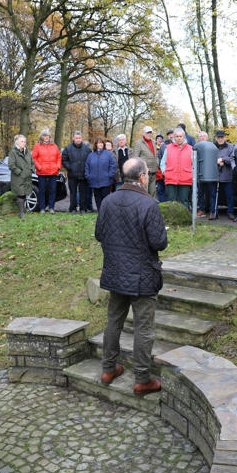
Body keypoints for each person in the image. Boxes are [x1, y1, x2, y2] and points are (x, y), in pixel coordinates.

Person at [95, 158, 168, 396]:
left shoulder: (108, 201)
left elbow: (99, 234)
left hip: (116, 273)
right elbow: (160, 242)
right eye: (147, 173)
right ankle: (142, 379)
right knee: (144, 328)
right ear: (142, 177)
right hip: (142, 276)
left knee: (114, 321)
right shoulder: (149, 204)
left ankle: (108, 369)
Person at [159, 128, 193, 207]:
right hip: (171, 179)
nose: (179, 138)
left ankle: (185, 219)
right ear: (174, 137)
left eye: (180, 136)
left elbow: (194, 165)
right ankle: (171, 219)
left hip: (186, 179)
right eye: (177, 136)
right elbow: (162, 163)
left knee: (184, 201)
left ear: (184, 137)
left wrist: (191, 174)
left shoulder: (190, 149)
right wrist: (165, 172)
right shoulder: (168, 148)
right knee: (171, 202)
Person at [31, 128, 61, 214]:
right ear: (41, 137)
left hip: (53, 172)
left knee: (52, 190)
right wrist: (39, 167)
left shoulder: (54, 146)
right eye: (44, 135)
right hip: (42, 172)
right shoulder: (37, 146)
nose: (46, 137)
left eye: (47, 135)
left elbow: (59, 157)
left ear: (50, 136)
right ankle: (42, 208)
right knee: (42, 190)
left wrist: (58, 166)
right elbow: (33, 158)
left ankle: (51, 207)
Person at [62, 131, 92, 213]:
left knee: (83, 193)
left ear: (81, 139)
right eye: (76, 138)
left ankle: (83, 208)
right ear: (73, 139)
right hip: (72, 175)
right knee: (73, 193)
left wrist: (87, 170)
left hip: (83, 175)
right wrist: (70, 167)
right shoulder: (68, 148)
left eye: (79, 138)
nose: (78, 139)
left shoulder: (87, 149)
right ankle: (72, 208)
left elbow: (90, 161)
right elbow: (64, 160)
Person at [84, 137, 117, 211]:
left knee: (106, 199)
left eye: (102, 143)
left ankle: (105, 212)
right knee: (97, 199)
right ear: (96, 144)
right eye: (99, 143)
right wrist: (88, 176)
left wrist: (110, 176)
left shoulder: (108, 154)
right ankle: (100, 212)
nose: (101, 144)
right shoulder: (91, 155)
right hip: (94, 181)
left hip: (106, 181)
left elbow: (113, 165)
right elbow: (87, 166)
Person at [194, 131, 220, 219]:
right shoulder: (196, 147)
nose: (202, 138)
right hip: (199, 175)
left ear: (207, 138)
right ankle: (201, 209)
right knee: (200, 194)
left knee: (212, 193)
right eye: (200, 136)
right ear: (198, 138)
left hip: (211, 175)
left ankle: (213, 211)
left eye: (204, 136)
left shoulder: (212, 147)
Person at [8, 134, 34, 219]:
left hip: (27, 176)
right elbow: (11, 165)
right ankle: (21, 213)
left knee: (25, 193)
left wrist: (31, 169)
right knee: (20, 194)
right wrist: (19, 172)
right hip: (18, 178)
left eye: (25, 141)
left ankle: (23, 211)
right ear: (17, 142)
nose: (24, 143)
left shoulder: (27, 151)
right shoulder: (13, 152)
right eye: (22, 141)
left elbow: (32, 162)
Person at [131, 126, 159, 197]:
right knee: (144, 193)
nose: (149, 134)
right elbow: (135, 158)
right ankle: (143, 208)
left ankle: (152, 207)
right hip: (144, 173)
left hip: (153, 171)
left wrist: (157, 165)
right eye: (147, 132)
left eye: (150, 132)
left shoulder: (153, 142)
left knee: (153, 192)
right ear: (143, 133)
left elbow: (156, 155)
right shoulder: (139, 143)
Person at [214, 130, 235, 219]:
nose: (220, 139)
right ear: (216, 138)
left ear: (225, 138)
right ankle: (214, 212)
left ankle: (230, 212)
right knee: (214, 196)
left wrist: (222, 159)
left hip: (227, 175)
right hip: (215, 175)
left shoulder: (231, 147)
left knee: (229, 195)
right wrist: (217, 161)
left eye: (222, 137)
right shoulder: (212, 146)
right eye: (218, 137)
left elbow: (233, 158)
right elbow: (209, 158)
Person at [155, 134, 166, 201]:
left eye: (160, 139)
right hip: (157, 173)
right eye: (158, 138)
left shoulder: (165, 147)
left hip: (164, 172)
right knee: (160, 189)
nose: (159, 140)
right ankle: (161, 202)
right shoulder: (153, 148)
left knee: (165, 189)